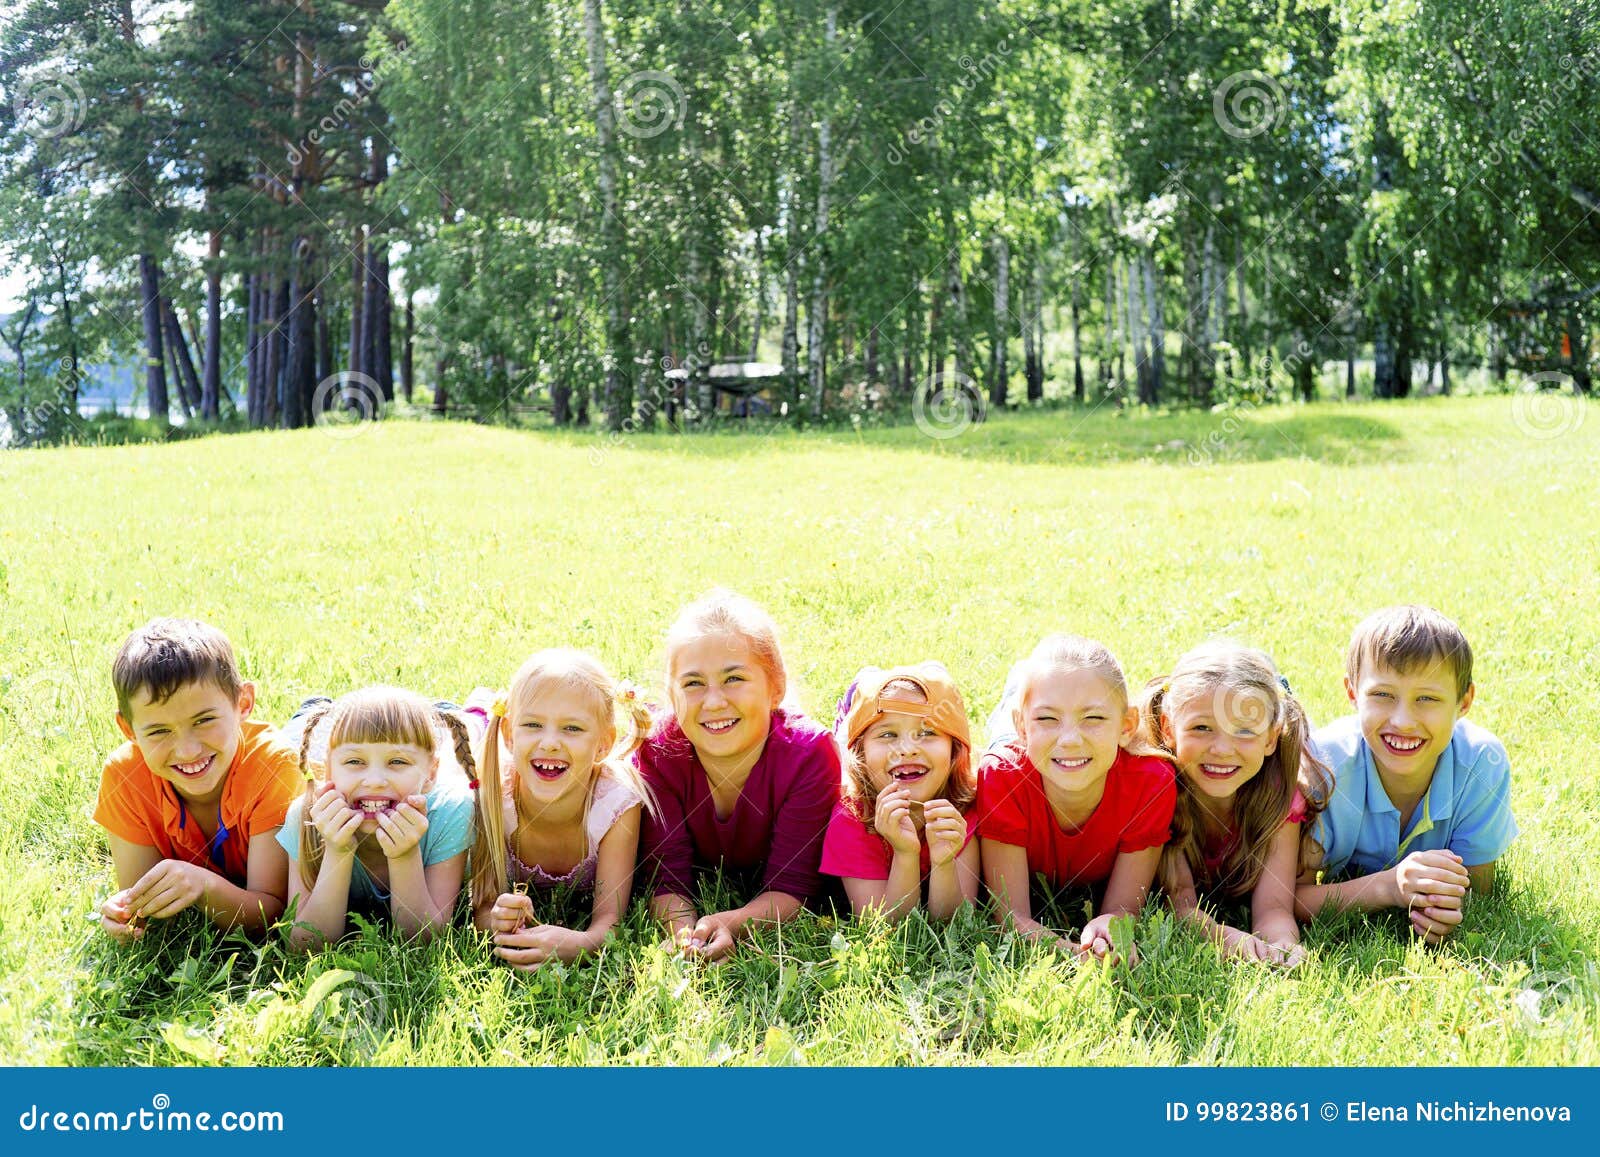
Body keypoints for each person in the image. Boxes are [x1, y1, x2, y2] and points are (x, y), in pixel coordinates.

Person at [637, 589, 839, 961]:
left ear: (774, 686)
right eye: (693, 683)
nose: (714, 701)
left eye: (733, 678)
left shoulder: (810, 754)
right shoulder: (657, 752)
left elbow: (794, 887)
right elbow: (667, 878)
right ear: (671, 693)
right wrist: (687, 939)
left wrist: (730, 922)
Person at [1296, 606, 1517, 945]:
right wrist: (1388, 887)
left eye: (1427, 698)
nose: (1402, 721)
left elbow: (1478, 893)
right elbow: (1292, 898)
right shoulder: (1324, 765)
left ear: (1464, 701)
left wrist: (1444, 910)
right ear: (1353, 693)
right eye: (1383, 695)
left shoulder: (1481, 763)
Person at [94, 618, 300, 941]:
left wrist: (203, 885)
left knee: (318, 740)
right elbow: (144, 908)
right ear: (129, 731)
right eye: (160, 731)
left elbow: (272, 913)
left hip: (294, 747)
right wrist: (127, 917)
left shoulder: (273, 765)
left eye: (204, 720)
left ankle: (312, 712)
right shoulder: (124, 777)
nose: (188, 750)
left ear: (242, 703)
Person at [978, 634, 1175, 962]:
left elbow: (1123, 911)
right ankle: (1018, 691)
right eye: (1047, 718)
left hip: (1044, 750)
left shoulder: (1151, 784)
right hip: (1018, 751)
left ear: (1127, 725)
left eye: (1094, 718)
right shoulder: (1002, 777)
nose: (1069, 739)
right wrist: (1074, 955)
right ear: (1023, 728)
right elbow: (1010, 920)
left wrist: (1110, 926)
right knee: (1006, 732)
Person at [1140, 642, 1329, 967]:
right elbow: (1181, 903)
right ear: (1169, 729)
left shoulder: (1279, 797)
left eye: (1244, 731)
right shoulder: (1159, 790)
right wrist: (1219, 935)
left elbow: (1274, 907)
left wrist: (1281, 944)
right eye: (1202, 728)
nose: (1222, 749)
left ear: (1271, 738)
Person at [470, 650, 655, 970]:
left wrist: (580, 945)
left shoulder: (615, 807)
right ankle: (474, 713)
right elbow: (482, 910)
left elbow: (609, 923)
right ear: (510, 737)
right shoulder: (495, 799)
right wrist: (499, 920)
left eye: (572, 728)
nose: (550, 743)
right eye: (533, 725)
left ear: (603, 744)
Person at [278, 687, 476, 948]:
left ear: (430, 774)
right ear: (328, 769)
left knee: (473, 732)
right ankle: (307, 711)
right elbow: (305, 944)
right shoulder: (306, 818)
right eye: (354, 762)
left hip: (447, 775)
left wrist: (404, 855)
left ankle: (472, 710)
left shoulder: (452, 810)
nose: (374, 782)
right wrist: (338, 850)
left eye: (397, 762)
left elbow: (423, 941)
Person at [822, 662, 980, 921]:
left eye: (927, 732)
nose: (907, 749)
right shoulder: (850, 818)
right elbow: (888, 925)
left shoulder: (961, 808)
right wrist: (905, 854)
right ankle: (854, 704)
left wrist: (944, 863)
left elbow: (954, 923)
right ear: (862, 753)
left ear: (954, 750)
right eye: (888, 735)